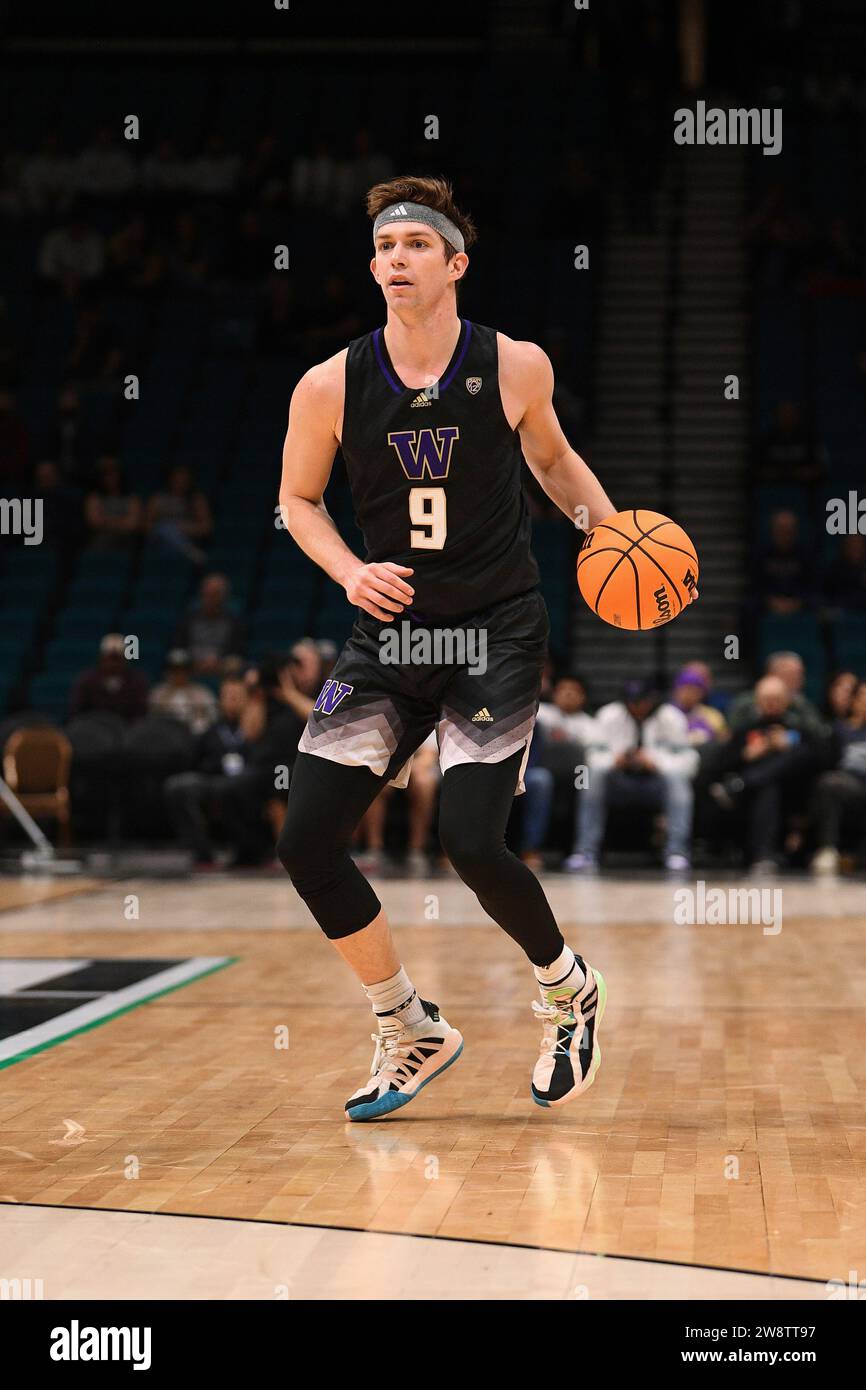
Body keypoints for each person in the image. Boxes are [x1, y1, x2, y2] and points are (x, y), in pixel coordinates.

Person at [275, 176, 692, 1120]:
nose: (396, 261)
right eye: (384, 249)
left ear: (455, 265)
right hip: (386, 633)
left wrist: (610, 531)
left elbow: (549, 459)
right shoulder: (330, 383)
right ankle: (409, 1022)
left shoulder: (514, 365)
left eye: (417, 245)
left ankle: (567, 989)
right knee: (306, 841)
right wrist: (347, 570)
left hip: (495, 631)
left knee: (470, 837)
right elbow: (297, 502)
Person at [564, 678, 698, 874]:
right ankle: (585, 851)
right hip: (618, 781)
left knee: (678, 780)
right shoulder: (609, 714)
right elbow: (591, 755)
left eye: (642, 701)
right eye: (632, 701)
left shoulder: (671, 717)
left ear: (652, 699)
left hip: (655, 782)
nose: (637, 706)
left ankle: (677, 852)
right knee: (590, 775)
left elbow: (690, 759)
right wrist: (613, 760)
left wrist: (655, 762)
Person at [709, 675, 821, 874]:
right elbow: (718, 766)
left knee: (795, 757)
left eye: (777, 699)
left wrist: (788, 746)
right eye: (767, 699)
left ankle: (741, 784)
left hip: (795, 793)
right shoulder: (745, 731)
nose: (772, 704)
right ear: (758, 701)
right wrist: (746, 755)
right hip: (753, 800)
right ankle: (764, 856)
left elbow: (822, 759)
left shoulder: (799, 730)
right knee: (768, 787)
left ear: (787, 701)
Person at [163, 676, 250, 867]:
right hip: (215, 780)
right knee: (179, 786)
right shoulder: (213, 730)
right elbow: (195, 761)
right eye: (228, 696)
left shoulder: (254, 726)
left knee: (242, 788)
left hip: (248, 781)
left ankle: (249, 852)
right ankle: (203, 852)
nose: (232, 700)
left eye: (237, 695)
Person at [810, 679, 866, 875]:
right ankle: (828, 849)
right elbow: (827, 763)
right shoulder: (841, 730)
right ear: (855, 701)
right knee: (829, 782)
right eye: (863, 696)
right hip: (850, 787)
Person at [172, 573, 246, 676]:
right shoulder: (188, 619)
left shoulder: (234, 622)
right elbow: (179, 646)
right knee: (177, 658)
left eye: (215, 594)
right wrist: (194, 662)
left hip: (222, 664)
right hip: (192, 665)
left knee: (234, 663)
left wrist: (217, 661)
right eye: (207, 594)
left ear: (224, 597)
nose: (210, 599)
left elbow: (237, 650)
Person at [69, 633, 149, 721]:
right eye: (110, 658)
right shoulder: (87, 681)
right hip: (93, 729)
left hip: (128, 731)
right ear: (102, 658)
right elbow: (77, 712)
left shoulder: (137, 682)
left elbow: (141, 714)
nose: (113, 664)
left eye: (117, 659)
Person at [144, 463, 212, 564]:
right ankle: (187, 550)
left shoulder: (196, 500)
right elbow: (146, 525)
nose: (180, 481)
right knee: (164, 528)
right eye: (177, 478)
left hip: (187, 537)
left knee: (167, 528)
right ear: (170, 479)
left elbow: (206, 527)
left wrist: (179, 528)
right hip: (159, 542)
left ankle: (183, 547)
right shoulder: (157, 499)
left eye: (183, 478)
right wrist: (167, 528)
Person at [149, 649, 218, 736]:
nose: (178, 674)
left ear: (189, 672)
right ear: (168, 672)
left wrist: (199, 709)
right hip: (165, 738)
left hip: (194, 739)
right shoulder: (157, 693)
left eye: (182, 670)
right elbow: (150, 719)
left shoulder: (203, 693)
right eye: (174, 670)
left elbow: (213, 718)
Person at [84, 456, 142, 551]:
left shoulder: (132, 498)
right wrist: (120, 523)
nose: (110, 479)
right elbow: (94, 521)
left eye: (113, 474)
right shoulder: (94, 497)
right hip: (101, 537)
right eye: (107, 475)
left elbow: (133, 523)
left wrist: (108, 522)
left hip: (126, 538)